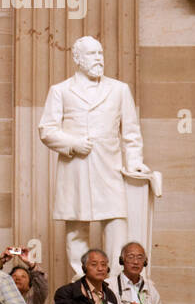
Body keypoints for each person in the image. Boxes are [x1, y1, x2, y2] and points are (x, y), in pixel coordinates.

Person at [38, 35, 149, 272]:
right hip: (75, 169)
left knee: (116, 223)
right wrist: (73, 143)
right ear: (77, 59)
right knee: (76, 229)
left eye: (100, 53)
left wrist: (135, 161)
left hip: (110, 168)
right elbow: (46, 130)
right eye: (92, 54)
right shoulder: (60, 90)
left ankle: (115, 282)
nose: (99, 58)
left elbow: (131, 132)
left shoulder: (119, 90)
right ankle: (81, 283)